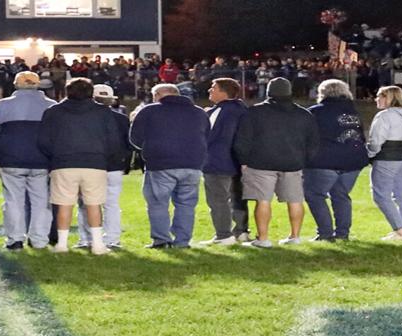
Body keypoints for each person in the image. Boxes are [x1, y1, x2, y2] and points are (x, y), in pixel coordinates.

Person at [38, 77, 121, 254]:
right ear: (91, 92)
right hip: (95, 163)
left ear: (67, 92)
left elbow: (43, 140)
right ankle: (98, 244)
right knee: (94, 204)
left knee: (64, 204)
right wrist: (103, 157)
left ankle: (62, 244)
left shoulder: (53, 111)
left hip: (63, 163)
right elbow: (114, 141)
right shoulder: (103, 112)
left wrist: (55, 156)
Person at [231, 77, 317, 248]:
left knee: (263, 200)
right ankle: (295, 236)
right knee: (295, 200)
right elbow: (313, 142)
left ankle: (263, 239)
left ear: (269, 92)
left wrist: (243, 160)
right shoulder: (304, 114)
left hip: (260, 163)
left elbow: (243, 139)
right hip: (293, 163)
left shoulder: (255, 112)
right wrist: (303, 160)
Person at [128, 83, 208, 249]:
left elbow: (135, 138)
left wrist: (150, 149)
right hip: (192, 164)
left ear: (157, 95)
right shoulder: (199, 112)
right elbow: (207, 136)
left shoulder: (149, 111)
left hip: (160, 163)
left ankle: (162, 240)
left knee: (158, 203)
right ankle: (182, 241)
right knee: (186, 204)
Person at [0, 70, 57, 249]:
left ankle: (15, 239)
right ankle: (39, 240)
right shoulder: (51, 105)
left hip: (11, 158)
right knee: (41, 202)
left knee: (13, 200)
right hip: (42, 160)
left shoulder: (3, 105)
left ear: (15, 84)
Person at [302, 78, 368, 242]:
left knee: (315, 195)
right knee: (341, 195)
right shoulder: (353, 112)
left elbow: (305, 136)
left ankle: (325, 233)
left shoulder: (315, 112)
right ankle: (342, 233)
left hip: (325, 160)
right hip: (353, 160)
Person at [74, 84, 130, 250]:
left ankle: (86, 239)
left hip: (89, 165)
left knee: (86, 204)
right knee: (111, 204)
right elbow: (127, 145)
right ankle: (111, 239)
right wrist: (124, 164)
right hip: (113, 167)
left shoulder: (82, 118)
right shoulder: (121, 119)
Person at [365, 85, 402, 240]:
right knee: (401, 193)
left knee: (381, 195)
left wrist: (369, 154)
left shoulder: (384, 116)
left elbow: (376, 141)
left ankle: (401, 230)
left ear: (388, 98)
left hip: (386, 158)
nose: (376, 99)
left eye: (379, 96)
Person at [202, 77, 250, 245]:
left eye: (213, 88)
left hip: (218, 161)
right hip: (240, 161)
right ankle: (241, 231)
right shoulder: (243, 109)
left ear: (224, 92)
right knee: (239, 197)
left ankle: (223, 235)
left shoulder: (220, 111)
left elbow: (210, 136)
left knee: (218, 199)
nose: (210, 90)